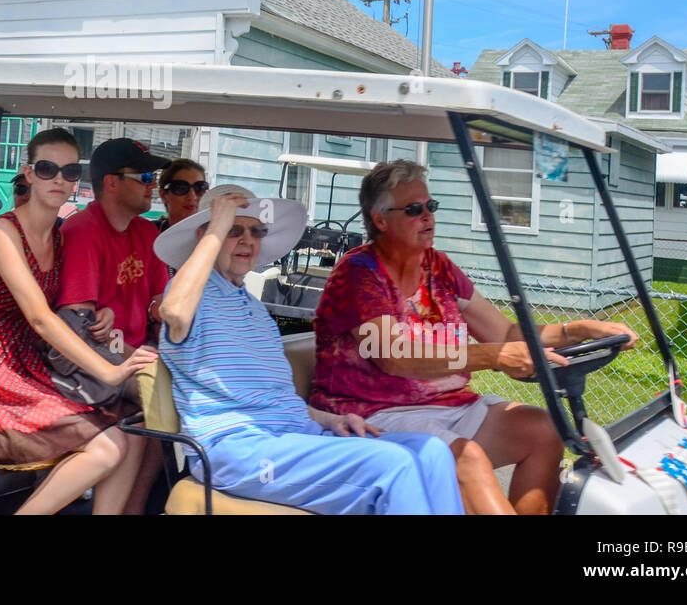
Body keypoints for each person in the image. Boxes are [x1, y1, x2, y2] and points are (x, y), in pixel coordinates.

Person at [310, 159, 638, 515]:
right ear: (380, 220)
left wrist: (579, 330)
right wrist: (493, 357)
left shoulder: (438, 267)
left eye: (430, 207)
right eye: (414, 209)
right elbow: (393, 355)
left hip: (449, 408)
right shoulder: (358, 274)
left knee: (544, 429)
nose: (428, 217)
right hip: (375, 414)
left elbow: (506, 332)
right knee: (469, 459)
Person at [155, 185, 464, 514]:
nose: (247, 240)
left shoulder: (255, 311)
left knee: (432, 452)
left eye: (256, 231)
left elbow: (276, 400)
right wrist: (216, 225)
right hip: (237, 449)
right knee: (394, 465)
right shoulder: (190, 298)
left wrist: (332, 420)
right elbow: (173, 310)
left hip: (291, 435)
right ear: (207, 236)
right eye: (233, 230)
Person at [0, 128, 158, 514]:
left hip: (29, 358)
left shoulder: (58, 236)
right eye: (47, 168)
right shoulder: (3, 233)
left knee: (131, 430)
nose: (59, 179)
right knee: (109, 447)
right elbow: (40, 318)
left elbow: (63, 308)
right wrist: (110, 371)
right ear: (28, 173)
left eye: (70, 171)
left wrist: (102, 314)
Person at [57, 137, 170, 514]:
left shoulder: (147, 232)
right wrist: (140, 358)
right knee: (169, 401)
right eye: (145, 176)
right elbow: (79, 324)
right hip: (88, 365)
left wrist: (162, 310)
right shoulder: (84, 230)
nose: (153, 184)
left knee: (170, 410)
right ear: (111, 183)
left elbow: (159, 301)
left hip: (133, 357)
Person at [155, 158, 208, 233]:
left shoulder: (218, 236)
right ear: (163, 195)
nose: (192, 197)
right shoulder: (148, 233)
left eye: (200, 187)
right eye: (181, 188)